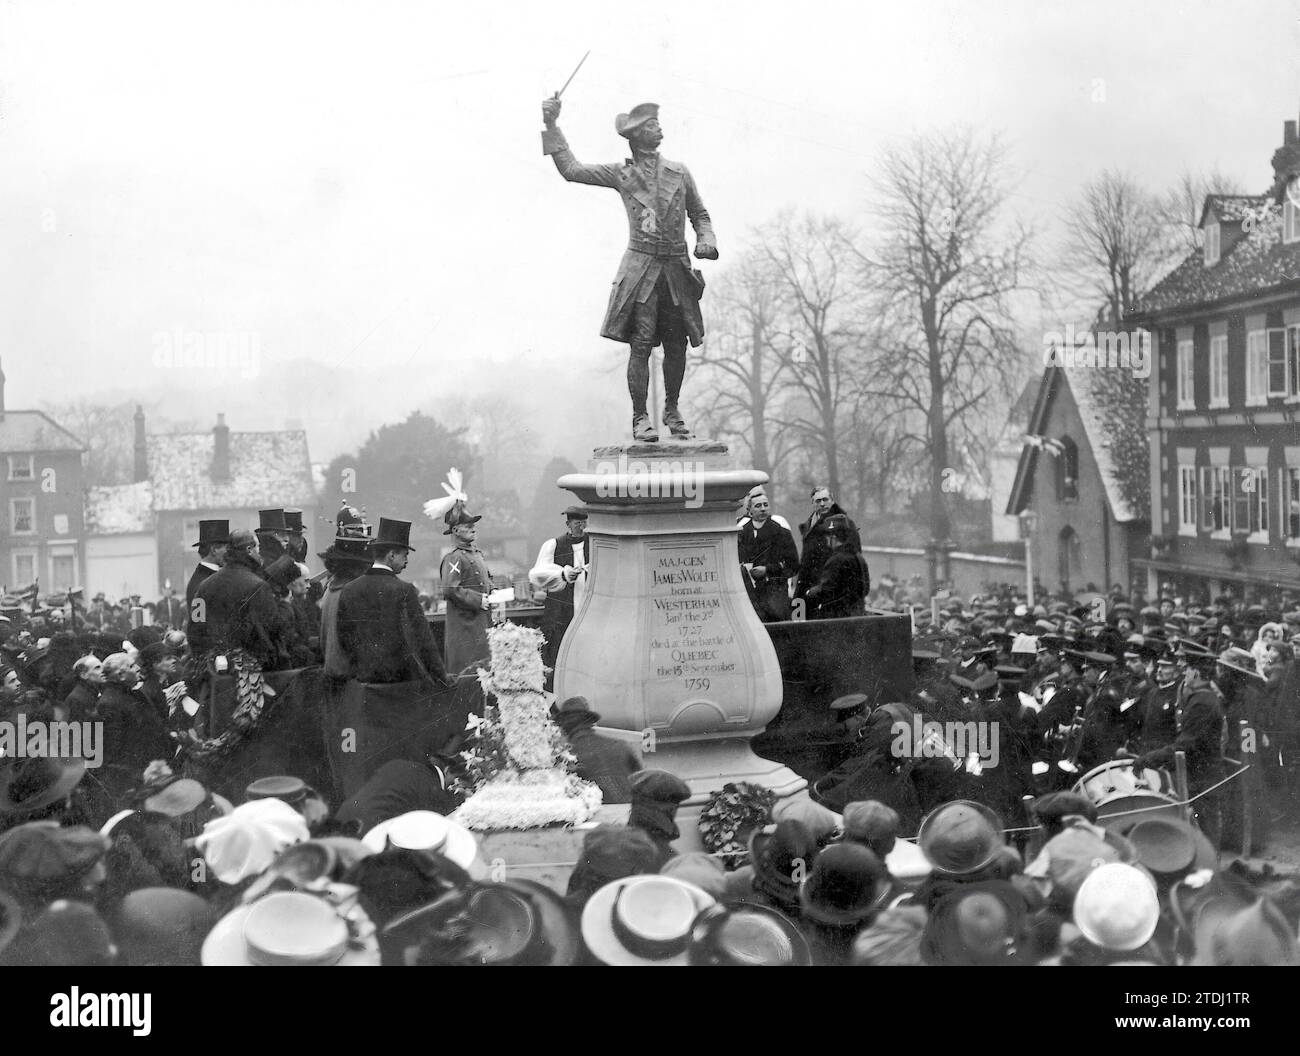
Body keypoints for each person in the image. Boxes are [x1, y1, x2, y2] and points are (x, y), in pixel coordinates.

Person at [540, 96, 718, 442]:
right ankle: (640, 417)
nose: (660, 129)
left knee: (677, 344)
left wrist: (706, 240)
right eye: (652, 125)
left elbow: (701, 215)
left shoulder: (679, 173)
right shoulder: (622, 174)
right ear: (636, 136)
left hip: (676, 269)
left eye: (658, 124)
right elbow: (572, 170)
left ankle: (672, 410)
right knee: (641, 344)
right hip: (642, 270)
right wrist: (551, 126)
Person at [337, 518, 447, 686]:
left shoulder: (349, 589)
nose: (407, 561)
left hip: (364, 681)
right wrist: (441, 677)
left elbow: (344, 637)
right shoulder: (405, 590)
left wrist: (359, 668)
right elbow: (424, 640)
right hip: (401, 682)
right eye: (405, 555)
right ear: (391, 555)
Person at [529, 507, 590, 689]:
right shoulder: (554, 545)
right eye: (577, 523)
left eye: (584, 523)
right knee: (558, 657)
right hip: (561, 613)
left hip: (589, 610)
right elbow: (537, 575)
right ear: (568, 524)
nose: (581, 527)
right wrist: (562, 574)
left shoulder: (595, 543)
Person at [439, 506, 493, 678]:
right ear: (455, 530)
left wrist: (495, 593)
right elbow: (450, 589)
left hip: (481, 625)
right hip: (465, 628)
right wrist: (478, 600)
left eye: (473, 525)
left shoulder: (478, 555)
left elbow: (487, 582)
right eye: (467, 525)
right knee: (467, 673)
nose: (473, 528)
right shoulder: (454, 558)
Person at [738, 492, 799, 622]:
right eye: (758, 506)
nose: (763, 508)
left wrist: (767, 570)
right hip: (749, 594)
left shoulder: (781, 532)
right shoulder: (741, 533)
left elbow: (793, 565)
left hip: (775, 592)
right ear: (749, 511)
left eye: (766, 505)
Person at [794, 487, 861, 602]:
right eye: (818, 501)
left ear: (832, 501)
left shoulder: (845, 524)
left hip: (832, 587)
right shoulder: (809, 526)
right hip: (810, 586)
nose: (822, 504)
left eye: (825, 499)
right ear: (812, 504)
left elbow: (852, 553)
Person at [802, 516, 867, 620]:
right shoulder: (859, 557)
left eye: (827, 537)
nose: (827, 541)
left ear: (834, 537)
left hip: (837, 616)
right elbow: (865, 588)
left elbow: (826, 589)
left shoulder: (836, 560)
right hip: (857, 614)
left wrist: (809, 592)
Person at [185, 520, 229, 609]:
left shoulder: (206, 578)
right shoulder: (200, 584)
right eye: (226, 548)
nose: (229, 552)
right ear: (214, 550)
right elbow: (199, 621)